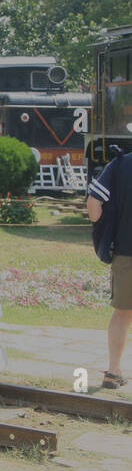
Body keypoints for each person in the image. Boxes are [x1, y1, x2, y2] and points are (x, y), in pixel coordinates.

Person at [87, 151, 132, 388]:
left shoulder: (119, 165)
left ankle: (113, 372)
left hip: (126, 252)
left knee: (123, 314)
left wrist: (104, 233)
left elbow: (94, 203)